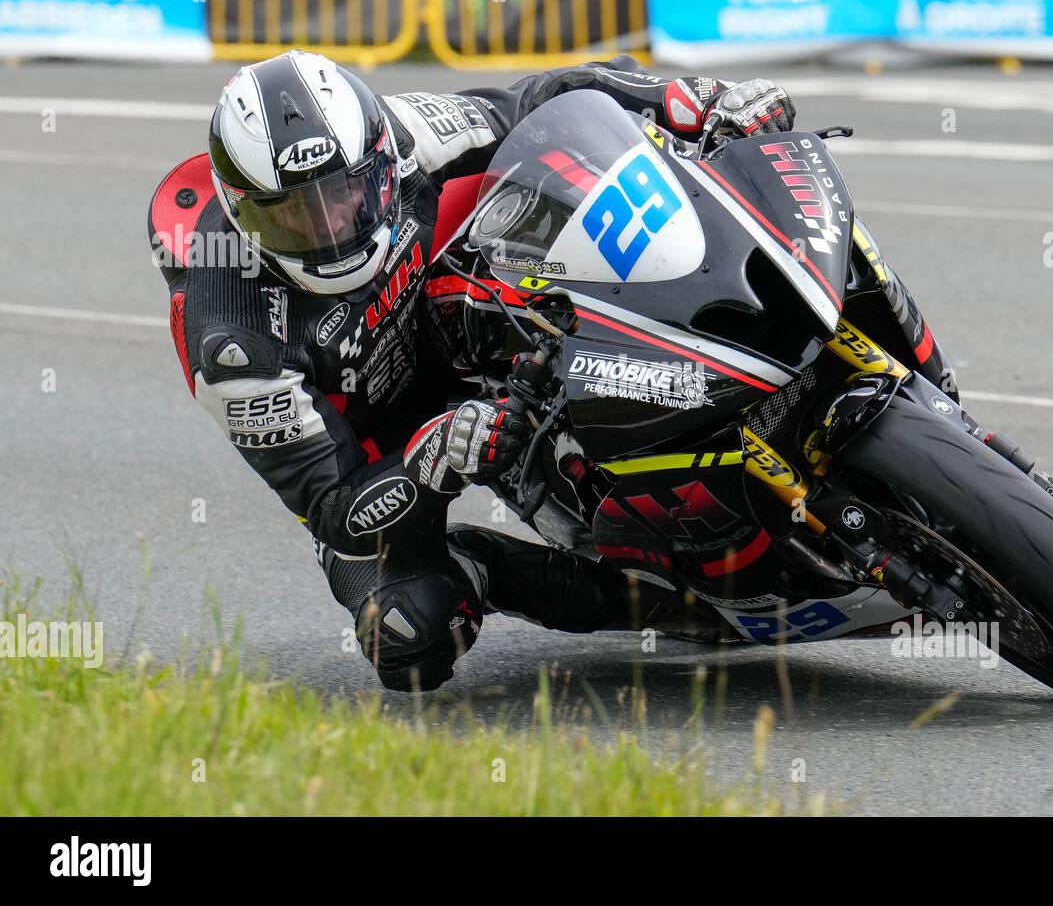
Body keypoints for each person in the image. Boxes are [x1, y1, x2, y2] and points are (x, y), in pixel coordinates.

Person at [147, 50, 796, 691]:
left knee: (534, 207)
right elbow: (337, 510)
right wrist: (432, 464)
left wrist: (687, 101)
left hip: (469, 337)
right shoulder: (234, 346)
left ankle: (700, 361)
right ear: (243, 216)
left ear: (378, 159)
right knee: (407, 638)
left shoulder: (406, 135)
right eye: (293, 215)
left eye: (343, 192)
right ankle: (564, 581)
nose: (331, 226)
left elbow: (544, 99)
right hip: (382, 458)